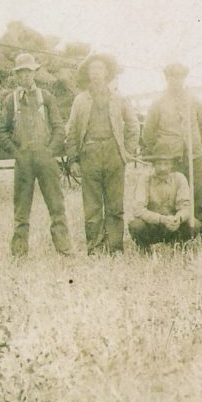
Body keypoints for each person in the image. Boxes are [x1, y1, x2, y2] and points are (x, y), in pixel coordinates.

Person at [65, 53, 139, 255]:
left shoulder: (119, 98)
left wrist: (128, 150)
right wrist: (73, 159)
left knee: (115, 204)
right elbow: (71, 131)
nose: (96, 73)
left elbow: (133, 125)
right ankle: (95, 247)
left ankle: (115, 247)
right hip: (90, 154)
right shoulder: (80, 100)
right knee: (92, 206)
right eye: (92, 69)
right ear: (88, 73)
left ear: (107, 72)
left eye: (100, 69)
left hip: (114, 154)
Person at [0, 53, 72, 257]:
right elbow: (2, 132)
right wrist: (16, 152)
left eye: (28, 72)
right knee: (21, 209)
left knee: (56, 205)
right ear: (16, 75)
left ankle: (64, 248)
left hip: (45, 158)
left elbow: (59, 128)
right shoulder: (10, 101)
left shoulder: (46, 97)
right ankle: (20, 253)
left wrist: (50, 151)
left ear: (34, 73)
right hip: (23, 160)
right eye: (21, 73)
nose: (25, 76)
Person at [141, 62, 202, 212]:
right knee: (173, 191)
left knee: (198, 190)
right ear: (167, 78)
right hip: (170, 156)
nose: (177, 80)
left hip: (194, 154)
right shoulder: (158, 102)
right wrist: (161, 149)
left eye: (181, 77)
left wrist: (196, 142)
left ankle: (199, 224)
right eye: (174, 76)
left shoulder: (194, 100)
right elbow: (148, 132)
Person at [128, 141, 198, 251]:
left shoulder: (180, 178)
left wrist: (178, 218)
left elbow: (186, 207)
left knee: (194, 224)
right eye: (159, 164)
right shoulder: (144, 179)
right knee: (135, 225)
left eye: (166, 164)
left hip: (174, 226)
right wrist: (161, 219)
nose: (162, 168)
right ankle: (144, 249)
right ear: (154, 164)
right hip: (152, 226)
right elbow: (138, 209)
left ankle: (179, 246)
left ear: (172, 165)